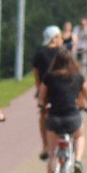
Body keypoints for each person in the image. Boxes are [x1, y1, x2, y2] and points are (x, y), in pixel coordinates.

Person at [38, 47, 87, 173]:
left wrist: (43, 106)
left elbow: (41, 97)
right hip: (72, 118)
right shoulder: (78, 77)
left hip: (54, 119)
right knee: (79, 135)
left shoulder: (49, 77)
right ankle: (77, 161)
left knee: (52, 155)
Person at [32, 25, 62, 160]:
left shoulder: (40, 54)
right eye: (60, 37)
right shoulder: (63, 53)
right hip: (62, 89)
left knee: (43, 114)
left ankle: (45, 145)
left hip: (46, 90)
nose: (61, 39)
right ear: (54, 38)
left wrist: (39, 90)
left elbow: (37, 75)